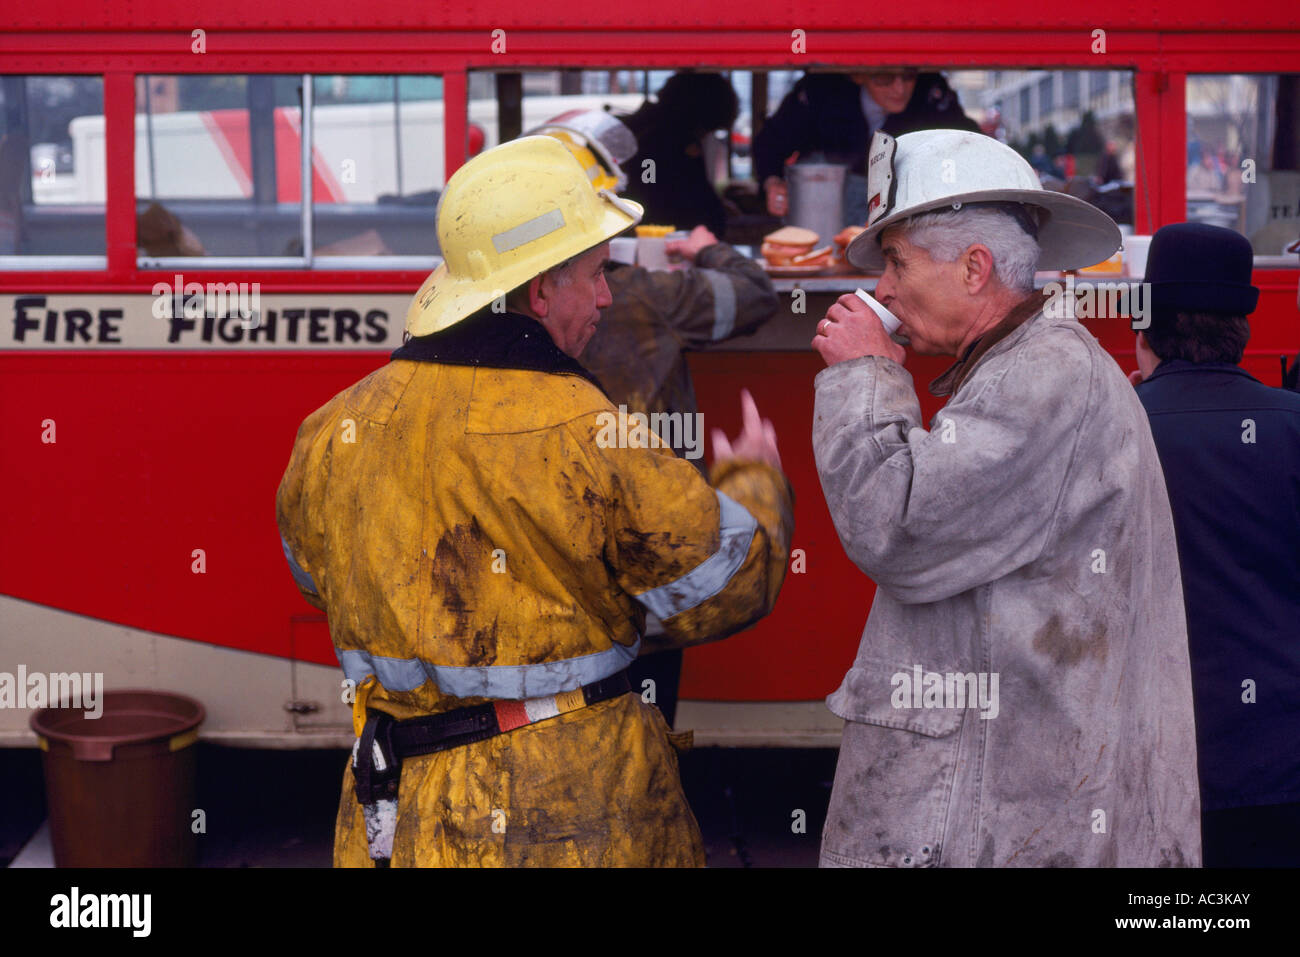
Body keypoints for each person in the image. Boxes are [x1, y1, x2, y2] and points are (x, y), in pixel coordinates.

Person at [276, 135, 794, 867]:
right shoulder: (593, 433)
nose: (609, 296)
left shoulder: (334, 428)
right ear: (541, 289)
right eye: (597, 273)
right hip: (565, 810)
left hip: (395, 813)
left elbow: (314, 575)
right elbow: (723, 586)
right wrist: (755, 478)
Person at [809, 128, 1201, 867]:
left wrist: (864, 374)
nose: (881, 289)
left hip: (1011, 822)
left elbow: (897, 528)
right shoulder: (1033, 364)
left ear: (975, 267)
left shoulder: (1046, 374)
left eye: (895, 261)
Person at [527, 110, 782, 726]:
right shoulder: (649, 295)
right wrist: (707, 247)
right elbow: (758, 294)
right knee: (647, 734)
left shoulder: (469, 323)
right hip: (649, 582)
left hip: (540, 613)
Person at [1128, 222, 1300, 867]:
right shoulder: (1289, 425)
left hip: (1153, 762)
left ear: (1144, 329)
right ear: (1244, 332)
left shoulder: (1114, 430)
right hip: (1283, 760)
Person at [754, 70, 979, 225]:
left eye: (908, 76)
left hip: (905, 223)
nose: (899, 89)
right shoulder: (819, 92)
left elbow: (970, 142)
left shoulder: (931, 92)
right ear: (857, 74)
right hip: (826, 224)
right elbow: (770, 142)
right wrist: (772, 183)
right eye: (884, 78)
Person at [619, 72, 740, 237]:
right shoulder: (657, 141)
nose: (706, 134)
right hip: (669, 234)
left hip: (675, 230)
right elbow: (649, 186)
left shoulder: (662, 136)